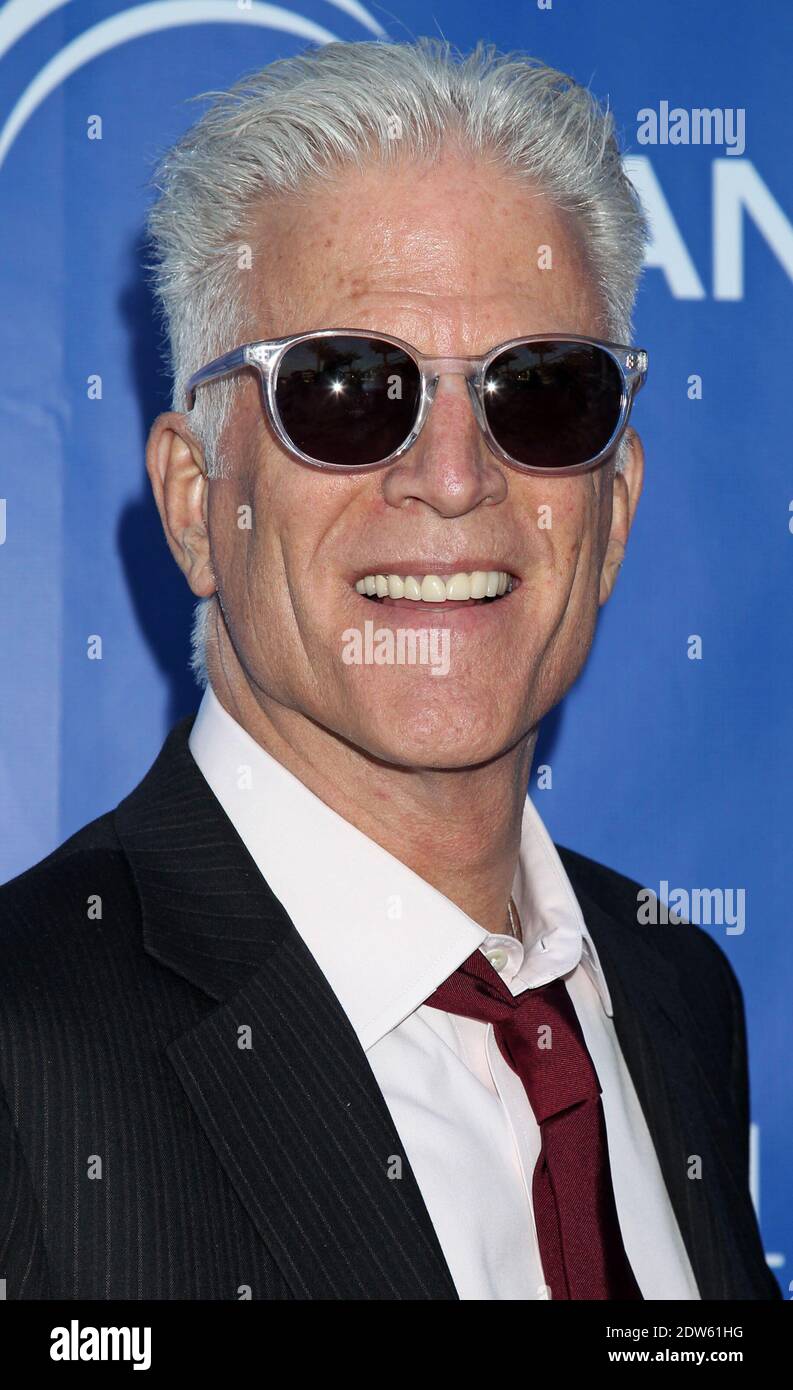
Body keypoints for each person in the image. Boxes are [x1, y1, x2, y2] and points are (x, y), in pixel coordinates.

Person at [0, 37, 779, 1301]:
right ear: (198, 505)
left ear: (613, 507)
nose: (455, 479)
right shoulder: (24, 1060)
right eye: (349, 390)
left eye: (541, 395)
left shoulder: (676, 991)